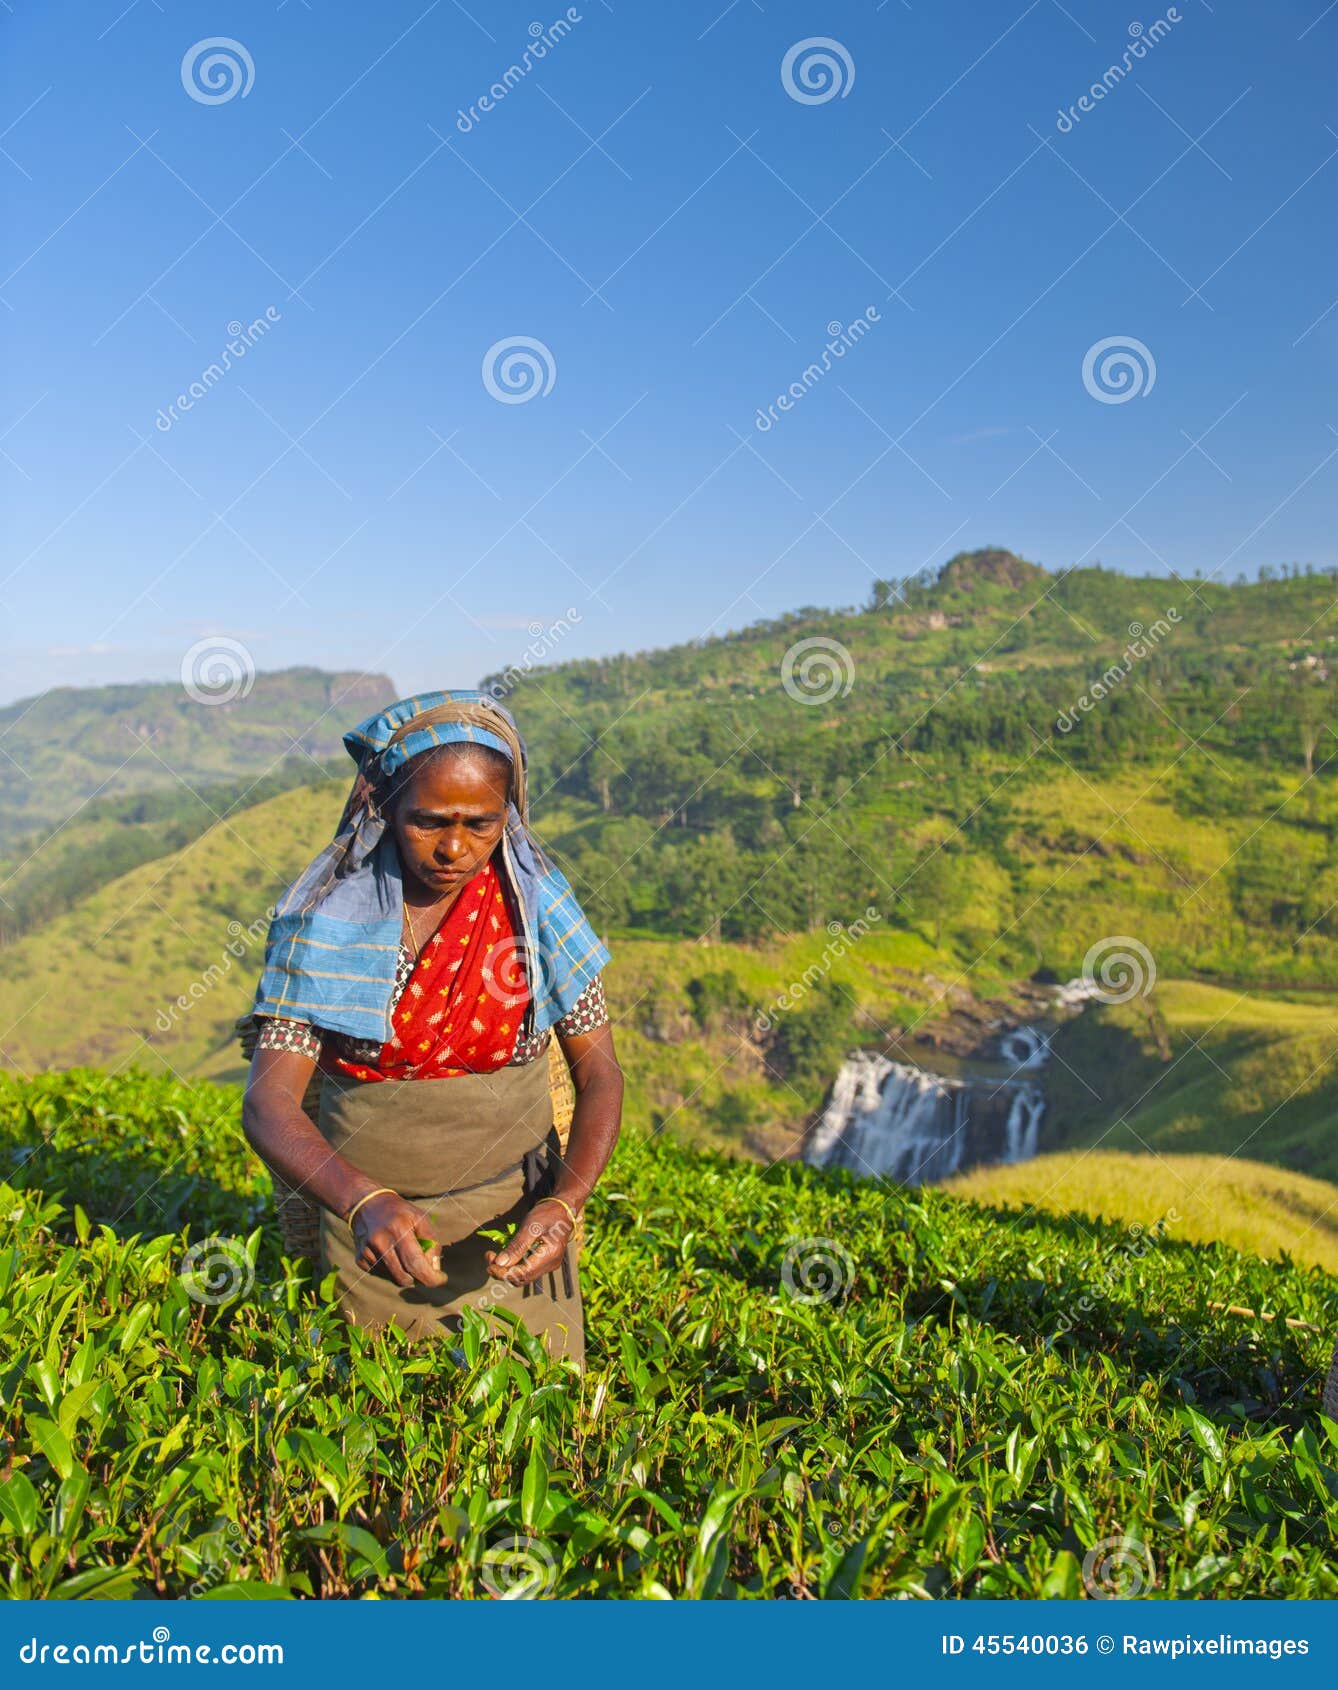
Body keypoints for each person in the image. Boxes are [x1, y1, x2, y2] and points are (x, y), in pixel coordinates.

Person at [241, 690, 623, 1365]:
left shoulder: (537, 912)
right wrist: (362, 1202)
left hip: (517, 1227)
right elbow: (269, 1104)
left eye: (480, 823)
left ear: (509, 814)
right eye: (428, 821)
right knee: (375, 1424)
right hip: (370, 1235)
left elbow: (600, 1072)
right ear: (383, 806)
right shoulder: (326, 924)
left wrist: (564, 1204)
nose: (454, 847)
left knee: (535, 1422)